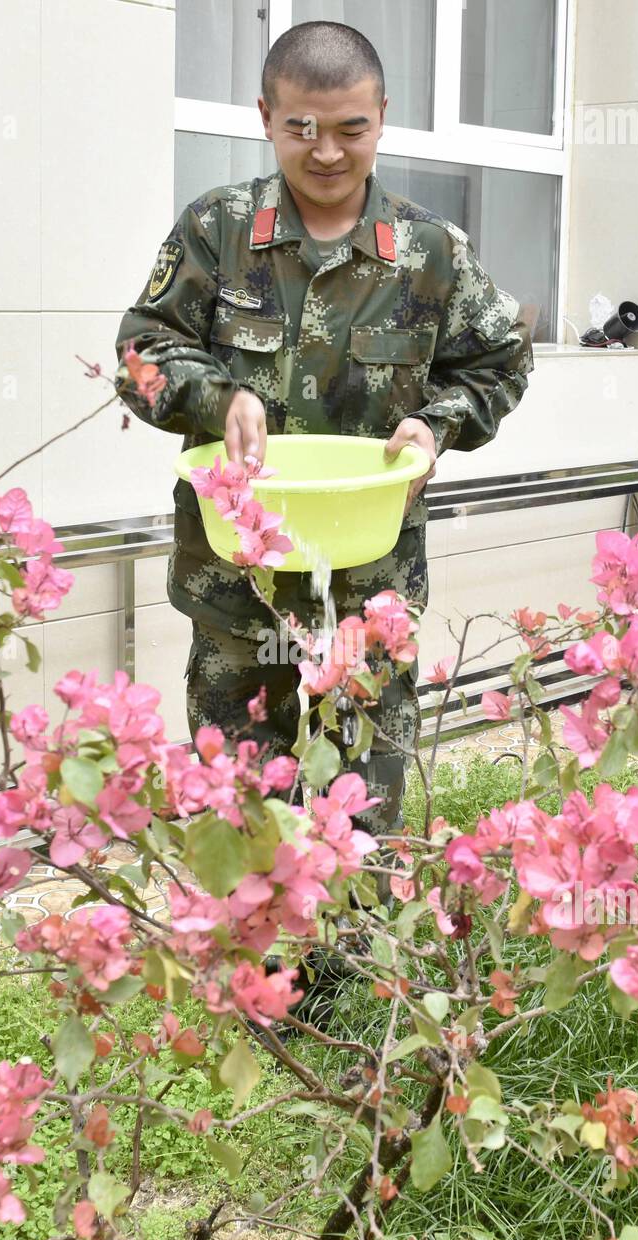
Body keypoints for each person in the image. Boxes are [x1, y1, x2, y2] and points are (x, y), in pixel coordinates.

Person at [115, 21, 534, 854]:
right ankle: (256, 981)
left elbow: (500, 361)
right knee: (240, 807)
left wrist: (436, 424)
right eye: (303, 127)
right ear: (267, 115)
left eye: (351, 128)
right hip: (240, 590)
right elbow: (142, 354)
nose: (329, 151)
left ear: (383, 114)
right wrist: (215, 395)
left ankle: (352, 980)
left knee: (363, 813)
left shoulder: (431, 252)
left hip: (369, 593)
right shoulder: (218, 230)